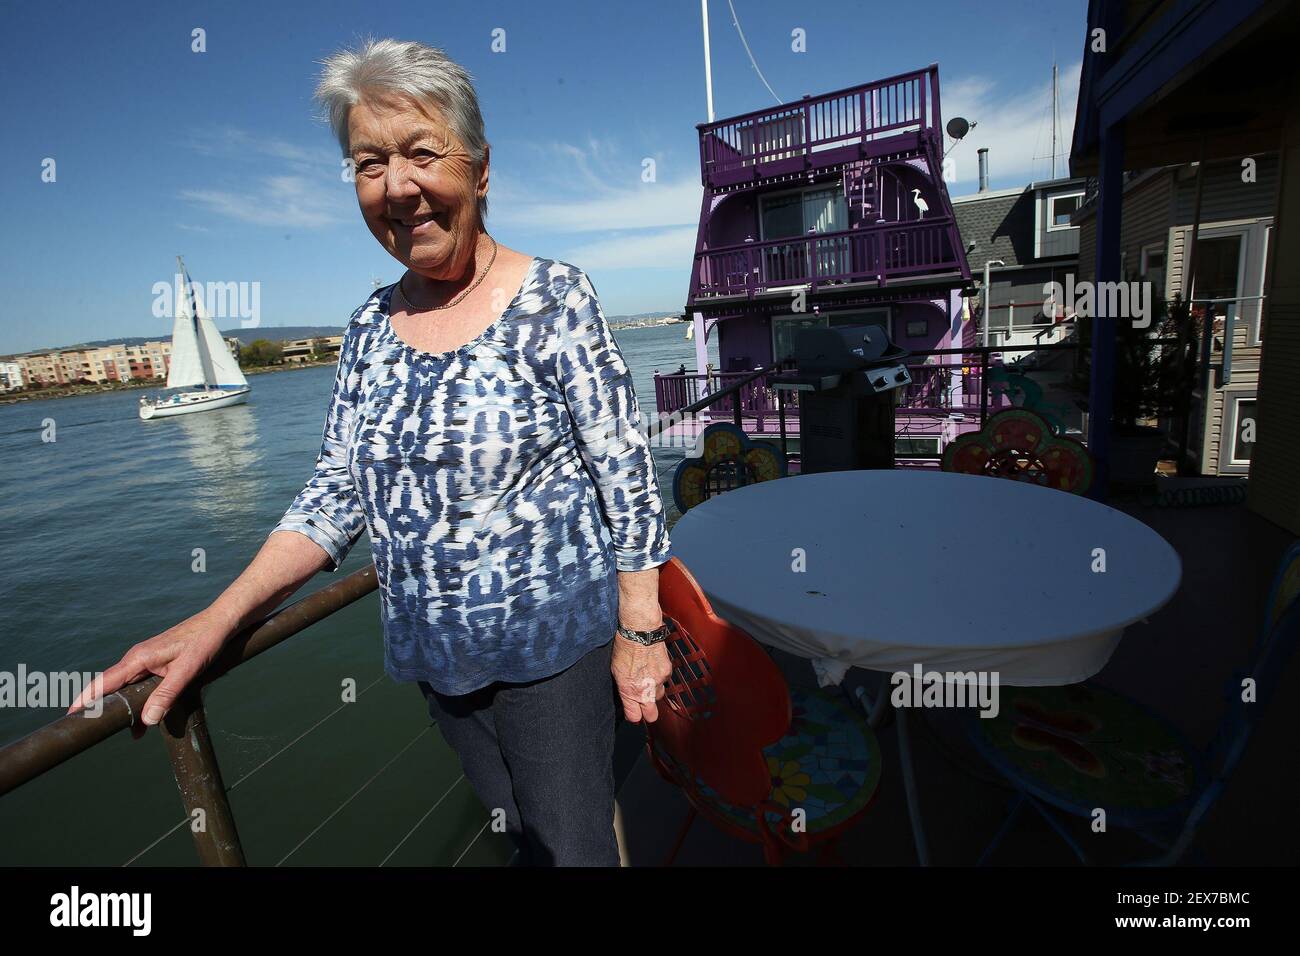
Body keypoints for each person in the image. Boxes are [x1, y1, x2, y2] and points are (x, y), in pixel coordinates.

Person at [69, 38, 674, 867]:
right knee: (519, 832)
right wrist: (217, 619)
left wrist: (640, 629)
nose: (398, 187)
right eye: (369, 163)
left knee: (573, 850)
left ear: (482, 170)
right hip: (437, 664)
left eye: (424, 152)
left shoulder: (554, 298)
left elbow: (625, 472)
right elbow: (333, 495)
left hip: (552, 654)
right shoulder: (365, 330)